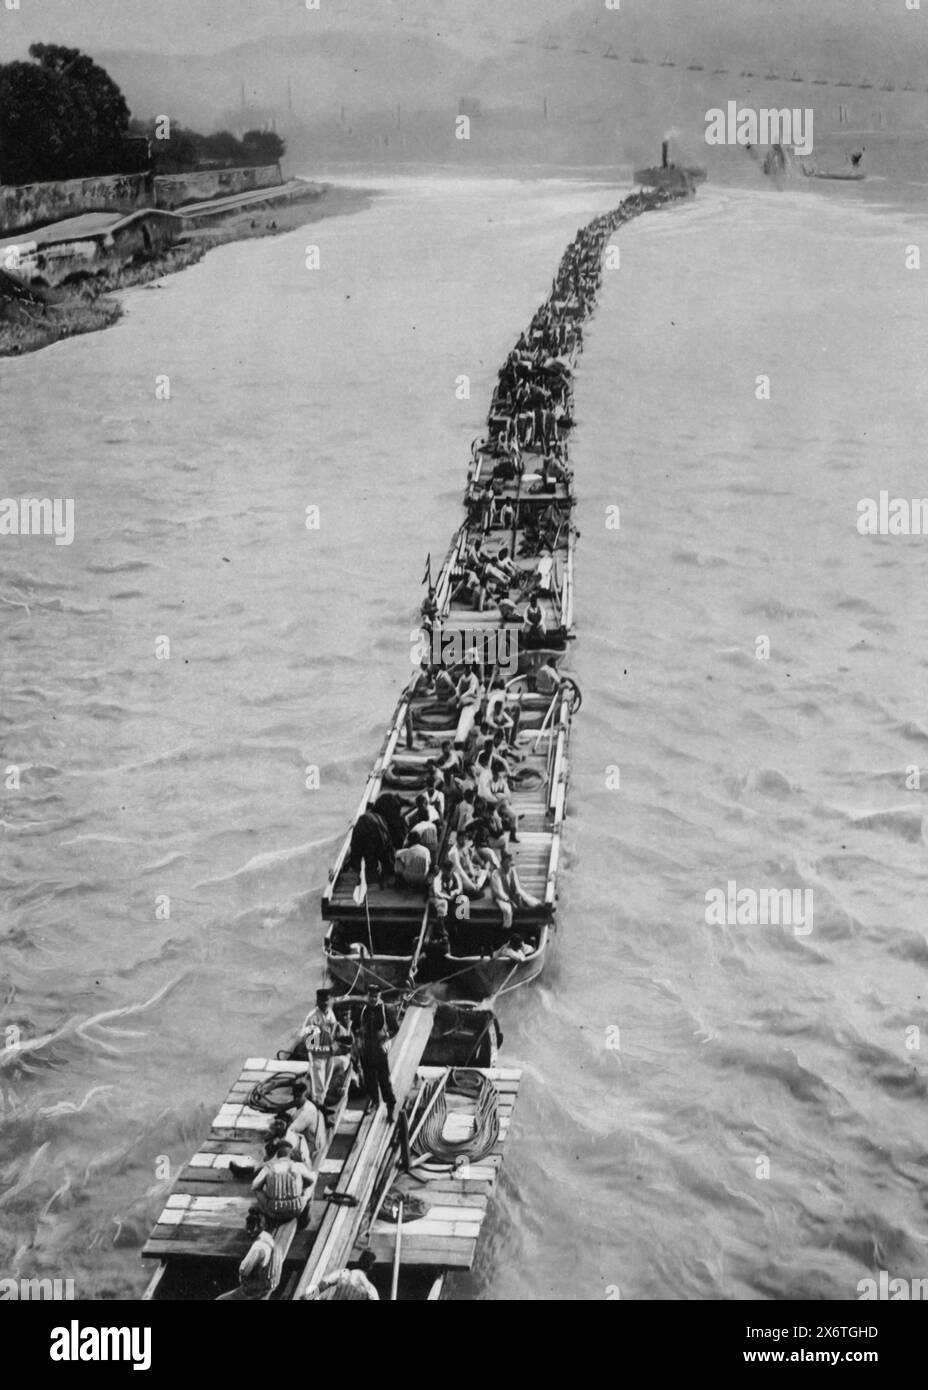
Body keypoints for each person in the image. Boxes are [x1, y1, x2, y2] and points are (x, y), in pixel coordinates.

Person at [252, 1141, 315, 1228]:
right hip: (296, 1209)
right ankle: (304, 1220)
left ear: (277, 1155)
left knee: (257, 1190)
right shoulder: (297, 1166)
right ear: (290, 1155)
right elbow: (312, 1180)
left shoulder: (269, 1168)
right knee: (311, 1186)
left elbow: (254, 1186)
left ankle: (265, 1216)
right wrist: (302, 1193)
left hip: (273, 1211)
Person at [216, 1219, 283, 1300]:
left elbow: (244, 1269)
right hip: (272, 1283)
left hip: (256, 1289)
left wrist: (242, 1276)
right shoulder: (271, 1241)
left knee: (221, 1299)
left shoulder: (258, 1246)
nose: (248, 1232)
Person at [357, 987, 396, 1121]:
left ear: (379, 997)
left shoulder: (386, 1010)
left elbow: (395, 1028)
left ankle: (390, 1108)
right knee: (369, 1079)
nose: (373, 999)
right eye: (371, 996)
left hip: (379, 1050)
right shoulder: (363, 1010)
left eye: (376, 997)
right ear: (367, 996)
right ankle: (374, 1102)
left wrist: (386, 1036)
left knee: (384, 1081)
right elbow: (356, 1027)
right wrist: (359, 1038)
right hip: (367, 1049)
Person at [304, 1250, 380, 1301]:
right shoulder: (370, 1288)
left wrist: (309, 1297)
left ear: (359, 1260)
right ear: (370, 1267)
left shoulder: (343, 1273)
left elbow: (324, 1284)